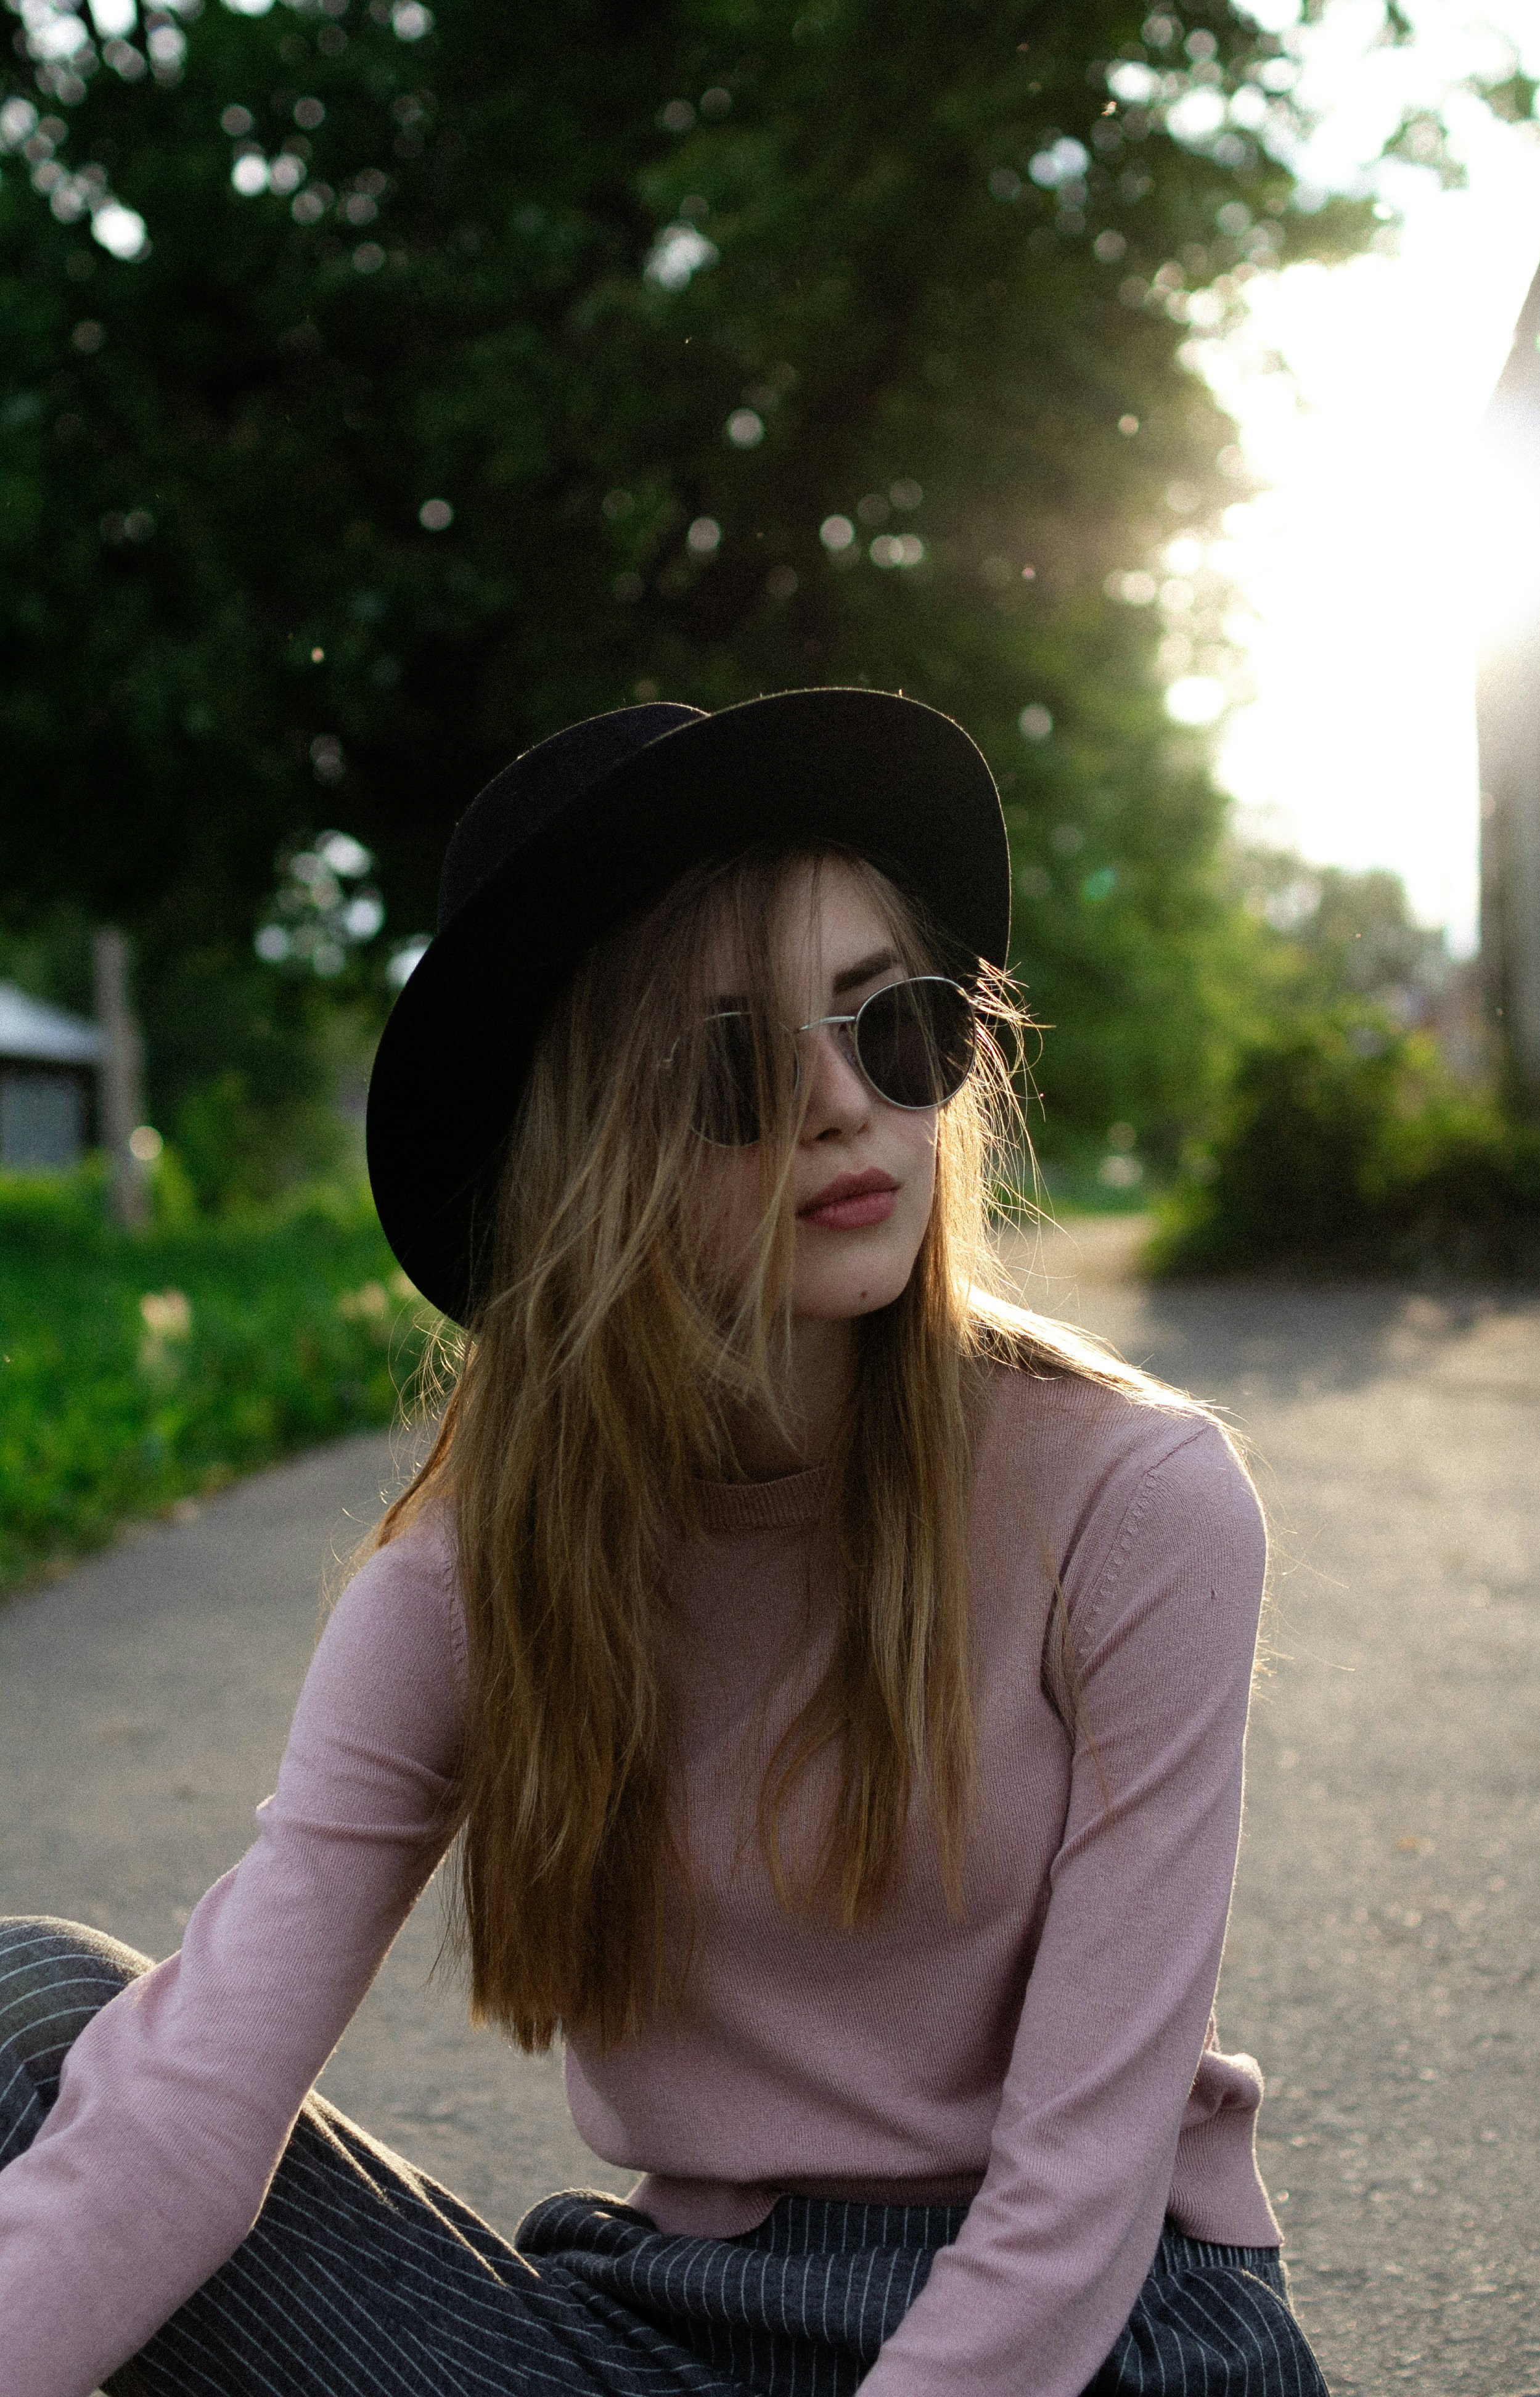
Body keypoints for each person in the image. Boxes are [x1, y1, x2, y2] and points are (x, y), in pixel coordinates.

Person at [0, 690, 1329, 2397]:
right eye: (733, 1068)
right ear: (581, 1152)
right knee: (38, 2022)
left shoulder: (1137, 1502)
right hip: (684, 2329)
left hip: (1102, 2335)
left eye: (894, 1026)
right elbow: (194, 2104)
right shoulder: (477, 1582)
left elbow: (1076, 2204)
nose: (843, 1107)